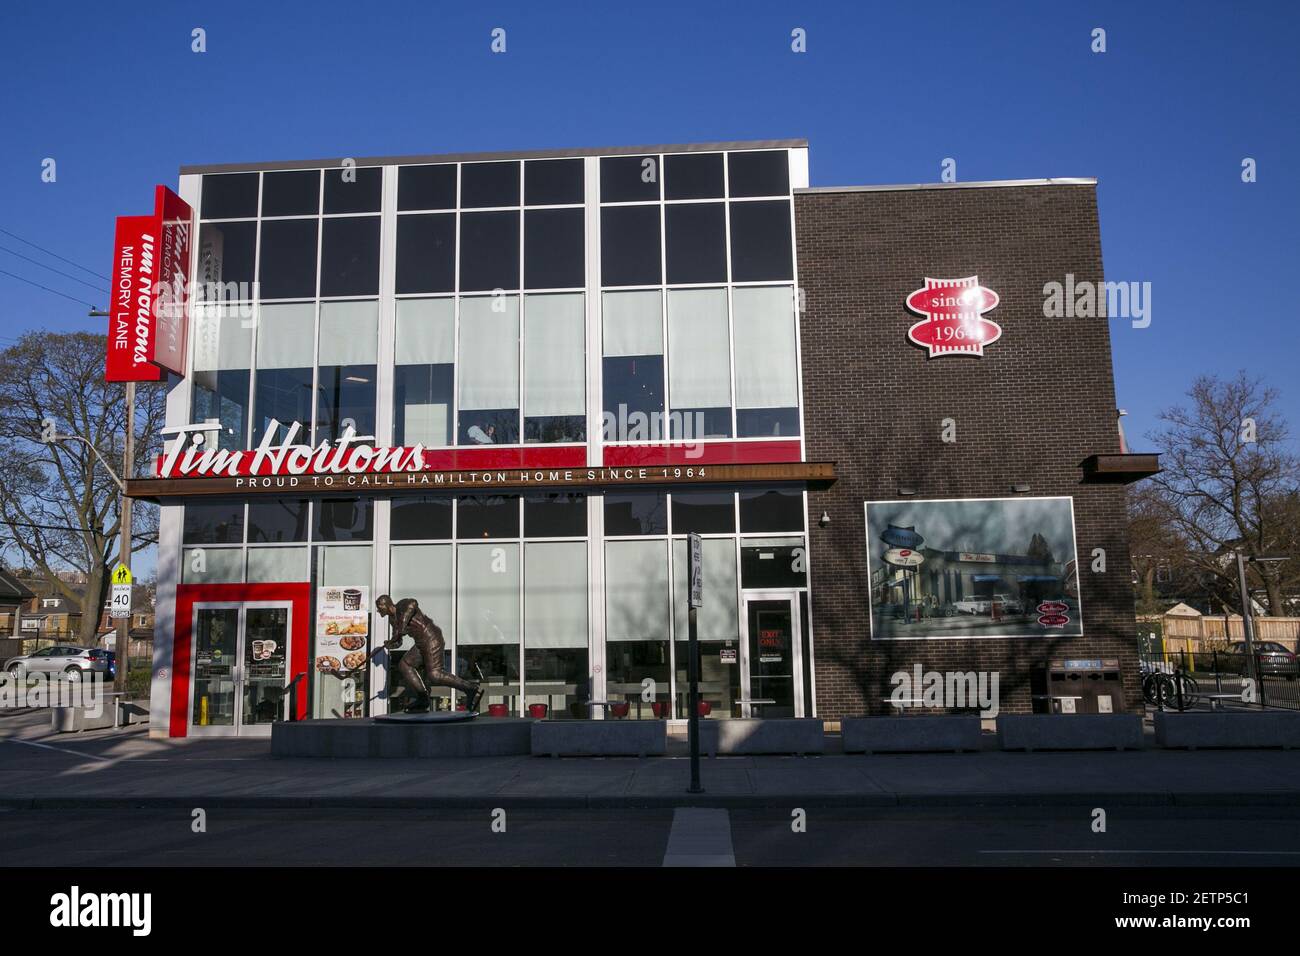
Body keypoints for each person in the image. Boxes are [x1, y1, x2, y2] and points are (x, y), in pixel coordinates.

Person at [375, 594, 483, 713]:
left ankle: (470, 688)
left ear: (384, 605)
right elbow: (398, 641)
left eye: (379, 608)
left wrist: (400, 628)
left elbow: (413, 604)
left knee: (435, 675)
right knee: (405, 664)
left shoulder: (402, 605)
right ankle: (423, 699)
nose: (378, 611)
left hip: (431, 638)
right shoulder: (392, 620)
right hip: (420, 643)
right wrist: (391, 644)